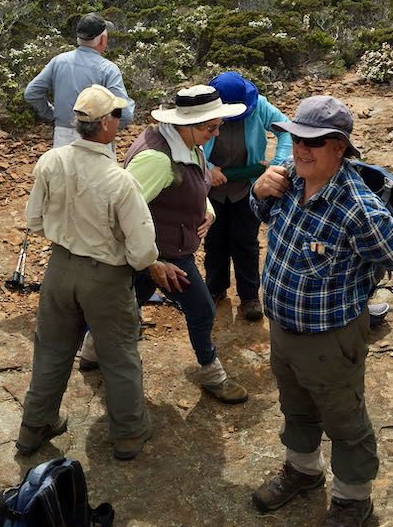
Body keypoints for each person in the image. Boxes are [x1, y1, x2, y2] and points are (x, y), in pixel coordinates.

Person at [247, 95, 393, 527]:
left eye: (315, 142)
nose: (301, 149)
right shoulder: (290, 176)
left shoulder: (358, 209)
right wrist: (258, 192)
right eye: (296, 138)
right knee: (296, 406)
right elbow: (265, 215)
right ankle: (303, 471)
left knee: (345, 421)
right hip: (283, 329)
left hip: (331, 338)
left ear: (341, 148)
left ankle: (352, 500)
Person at [15, 85, 186, 461]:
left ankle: (34, 427)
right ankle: (128, 434)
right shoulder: (120, 181)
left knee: (52, 352)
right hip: (106, 279)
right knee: (119, 356)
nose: (121, 121)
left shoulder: (50, 161)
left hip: (59, 269)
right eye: (117, 116)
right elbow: (143, 252)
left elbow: (34, 220)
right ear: (106, 124)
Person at [125, 84, 251, 404]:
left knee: (125, 310)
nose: (217, 133)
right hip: (161, 254)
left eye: (218, 126)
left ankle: (92, 353)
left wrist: (205, 210)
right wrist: (152, 262)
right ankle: (212, 374)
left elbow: (195, 186)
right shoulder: (156, 158)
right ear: (186, 124)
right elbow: (120, 212)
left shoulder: (186, 143)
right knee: (201, 309)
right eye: (211, 127)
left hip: (159, 248)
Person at [202, 71, 293, 321]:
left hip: (248, 188)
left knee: (246, 242)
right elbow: (188, 143)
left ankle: (250, 296)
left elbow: (286, 130)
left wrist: (275, 165)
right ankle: (215, 289)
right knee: (215, 241)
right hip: (212, 190)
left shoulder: (259, 106)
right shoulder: (203, 109)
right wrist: (207, 168)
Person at [24, 13, 134, 148]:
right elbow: (126, 113)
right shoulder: (108, 69)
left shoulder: (59, 61)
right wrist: (109, 127)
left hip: (62, 136)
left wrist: (52, 114)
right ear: (103, 40)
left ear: (78, 38)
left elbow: (31, 93)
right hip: (96, 137)